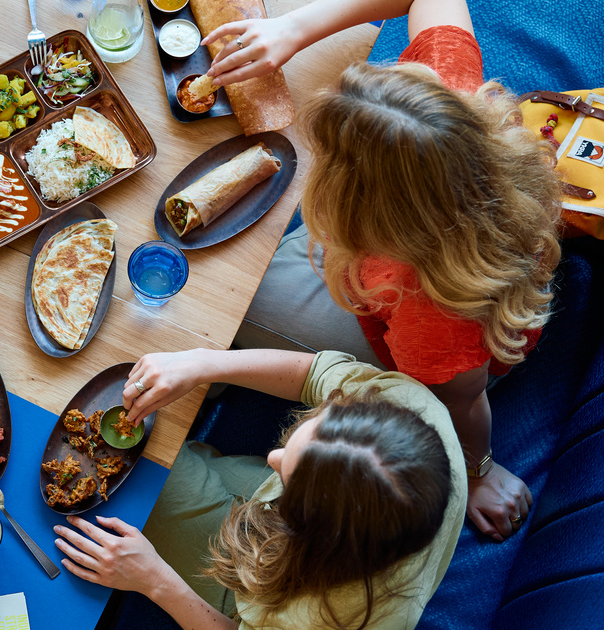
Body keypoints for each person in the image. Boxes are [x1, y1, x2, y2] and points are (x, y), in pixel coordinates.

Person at [203, 0, 560, 541]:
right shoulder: (446, 105)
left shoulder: (428, 311)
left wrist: (480, 470)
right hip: (444, 262)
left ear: (369, 210)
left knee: (218, 290)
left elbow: (460, 399)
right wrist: (292, 27)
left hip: (426, 340)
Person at [56, 349, 465, 629]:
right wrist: (204, 363)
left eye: (288, 476)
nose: (271, 457)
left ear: (311, 534)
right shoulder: (414, 407)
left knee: (133, 490)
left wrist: (154, 580)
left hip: (262, 590)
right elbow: (313, 375)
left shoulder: (323, 617)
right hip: (293, 516)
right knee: (160, 460)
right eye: (298, 442)